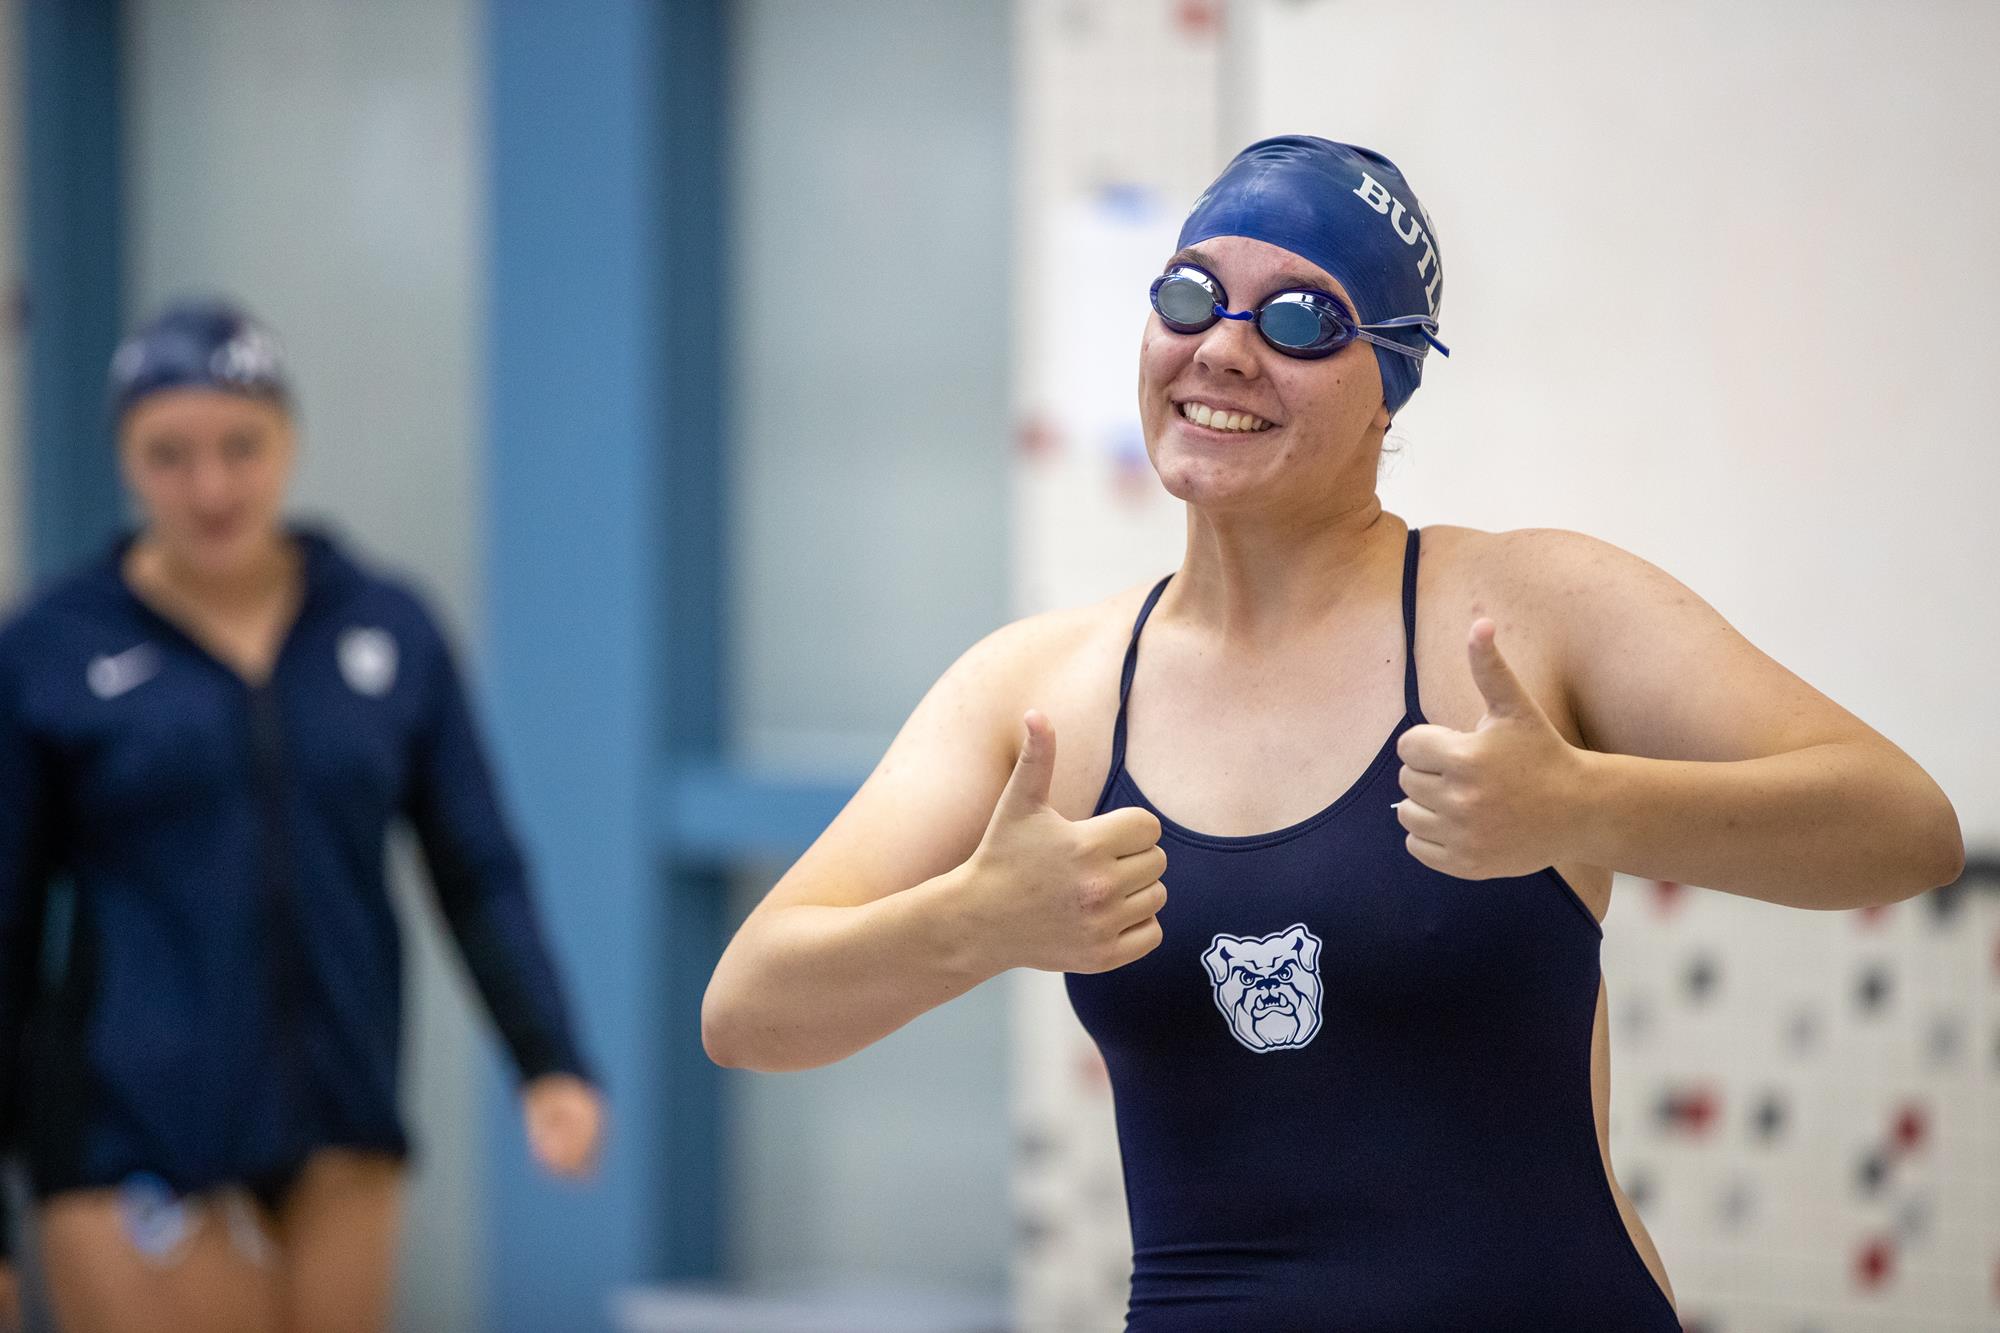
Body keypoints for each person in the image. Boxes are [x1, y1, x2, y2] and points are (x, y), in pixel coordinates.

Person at [701, 136, 1965, 1330]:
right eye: (1190, 296)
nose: (1223, 348)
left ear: (1388, 389)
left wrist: (1585, 805)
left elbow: (1902, 826)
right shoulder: (1045, 692)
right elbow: (749, 1010)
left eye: (1300, 319)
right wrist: (974, 922)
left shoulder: (1527, 613)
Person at [0, 301, 605, 1333]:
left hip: (340, 1124)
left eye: (241, 446)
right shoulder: (53, 650)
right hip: (128, 1136)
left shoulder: (385, 627)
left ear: (290, 439)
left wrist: (548, 1057)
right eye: (169, 454)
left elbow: (476, 866)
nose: (211, 487)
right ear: (124, 459)